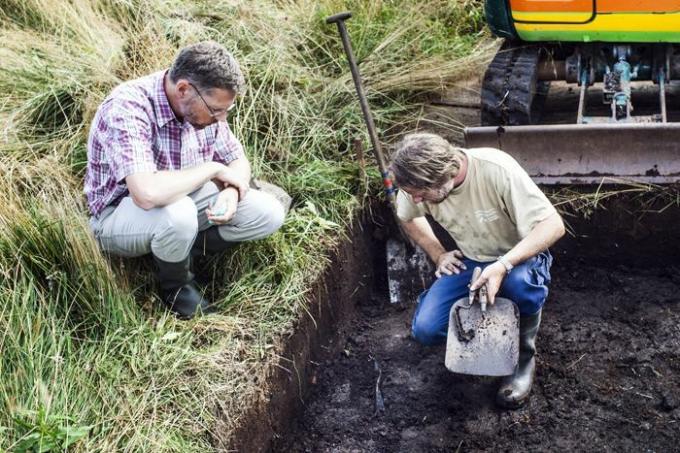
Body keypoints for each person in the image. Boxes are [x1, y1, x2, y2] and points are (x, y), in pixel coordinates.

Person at [84, 41, 286, 319]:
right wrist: (212, 169)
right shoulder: (128, 106)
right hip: (118, 215)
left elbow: (237, 159)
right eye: (216, 111)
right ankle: (177, 287)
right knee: (178, 215)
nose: (221, 119)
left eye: (226, 111)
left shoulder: (204, 109)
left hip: (182, 200)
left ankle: (174, 253)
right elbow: (146, 193)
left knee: (268, 213)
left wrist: (231, 194)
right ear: (183, 90)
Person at [390, 132, 565, 408]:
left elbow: (553, 225)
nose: (416, 199)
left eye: (421, 194)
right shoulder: (417, 181)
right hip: (471, 259)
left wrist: (502, 266)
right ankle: (485, 344)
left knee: (520, 287)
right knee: (426, 329)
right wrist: (438, 254)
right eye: (412, 194)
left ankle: (523, 358)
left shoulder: (496, 170)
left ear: (444, 175)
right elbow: (406, 216)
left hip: (518, 257)